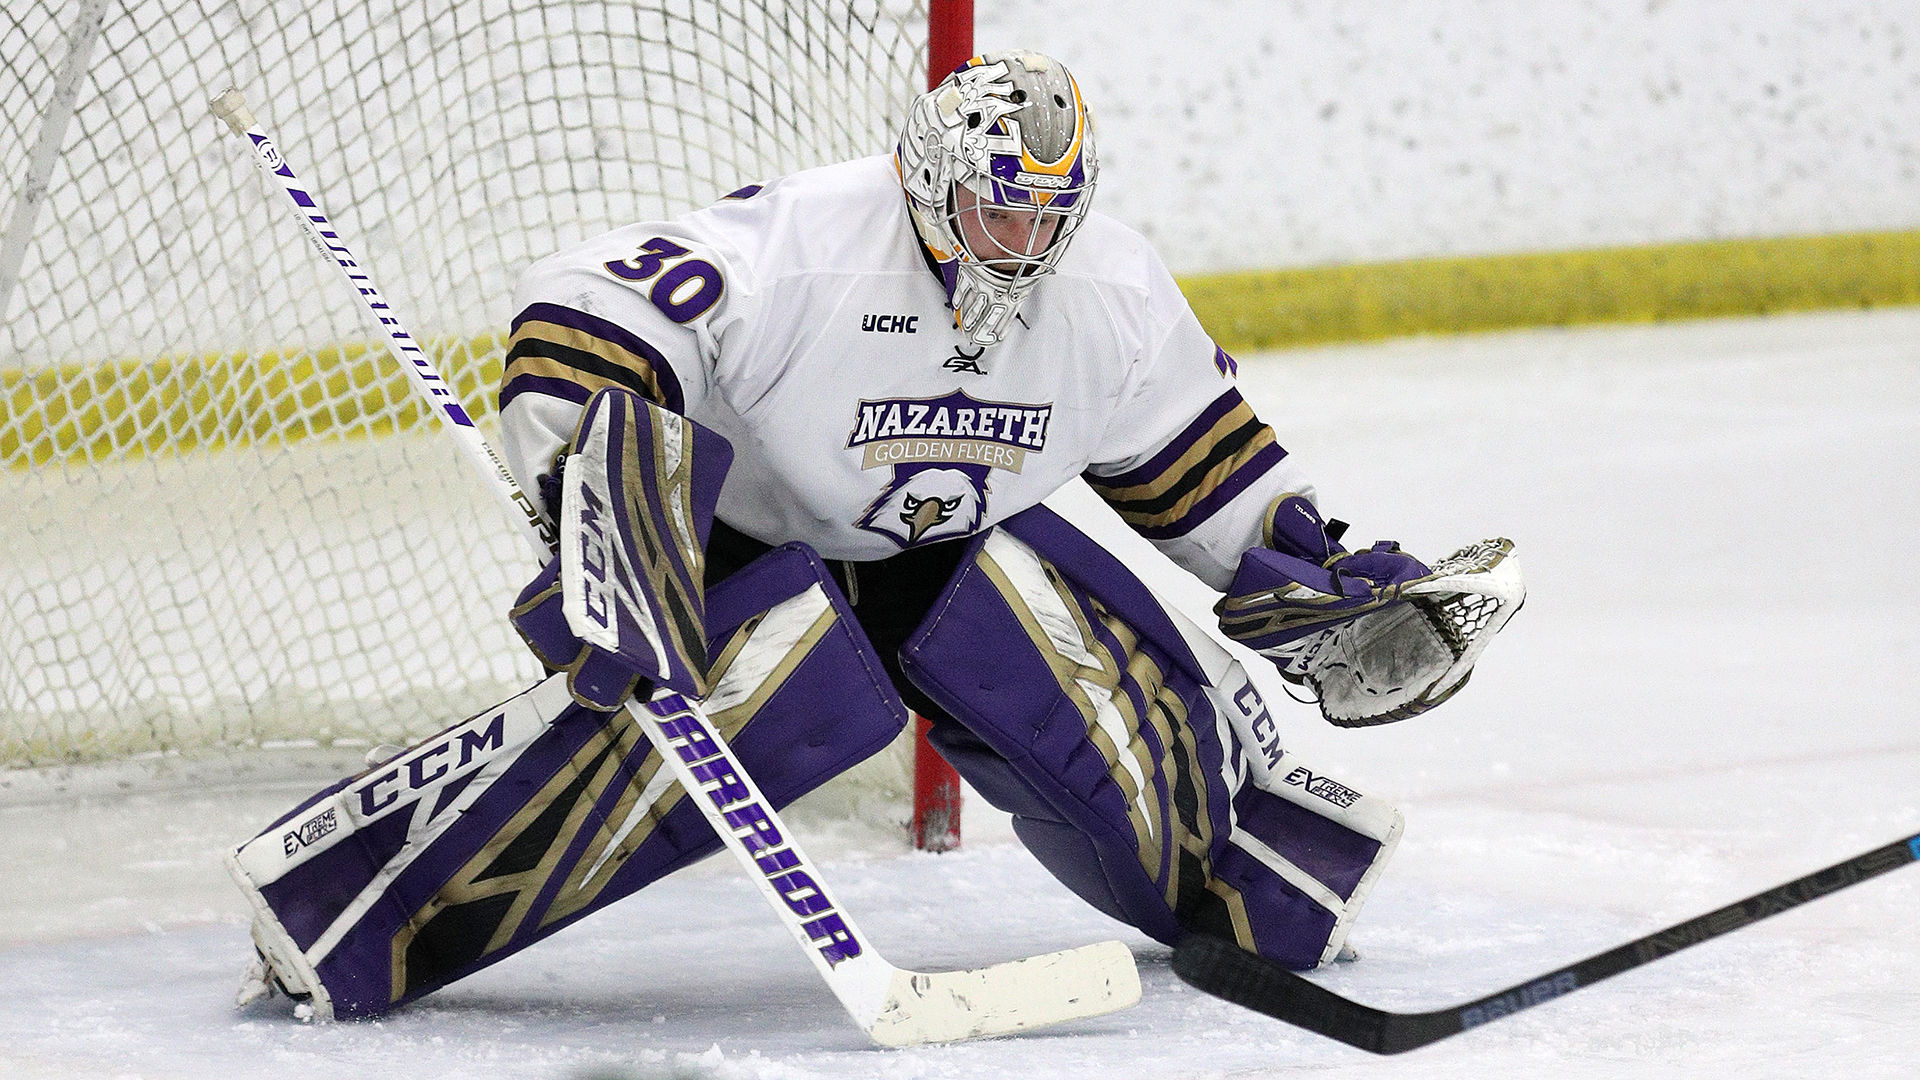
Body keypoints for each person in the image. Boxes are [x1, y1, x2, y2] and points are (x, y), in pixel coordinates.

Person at [229, 50, 1521, 1023]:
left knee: (1088, 695)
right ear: (929, 180)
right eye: (998, 212)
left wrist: (1313, 573)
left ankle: (1255, 871)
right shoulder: (805, 247)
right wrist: (600, 491)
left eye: (1049, 216)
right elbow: (586, 307)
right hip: (738, 551)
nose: (1025, 245)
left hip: (946, 559)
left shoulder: (1111, 295)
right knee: (774, 692)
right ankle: (352, 908)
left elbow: (1197, 457)